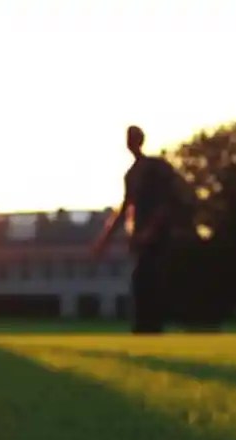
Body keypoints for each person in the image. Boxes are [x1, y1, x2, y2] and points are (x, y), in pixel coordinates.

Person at [90, 125, 185, 334]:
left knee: (153, 278)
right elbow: (125, 208)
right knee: (140, 280)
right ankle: (143, 327)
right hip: (140, 236)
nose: (130, 142)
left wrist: (151, 230)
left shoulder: (156, 168)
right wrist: (104, 240)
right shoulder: (131, 174)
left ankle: (153, 326)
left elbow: (166, 201)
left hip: (159, 235)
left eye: (133, 137)